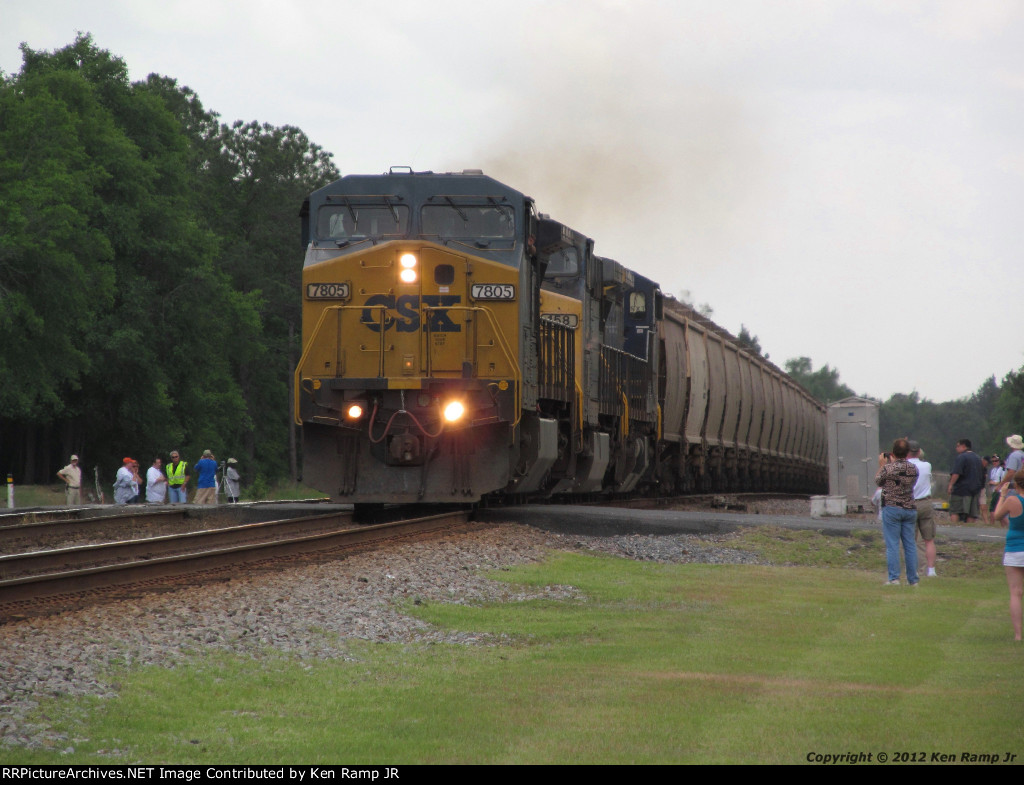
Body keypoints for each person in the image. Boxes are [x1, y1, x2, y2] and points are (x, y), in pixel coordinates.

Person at [876, 438, 919, 586]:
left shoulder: (889, 469)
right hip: (909, 508)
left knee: (893, 544)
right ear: (908, 452)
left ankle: (894, 578)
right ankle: (913, 580)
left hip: (892, 508)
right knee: (910, 545)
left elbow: (878, 481)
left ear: (893, 452)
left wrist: (883, 465)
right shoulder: (914, 469)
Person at [992, 468, 1024, 641]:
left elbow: (997, 516)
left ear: (1016, 484)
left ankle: (1018, 635)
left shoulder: (1013, 500)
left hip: (1015, 547)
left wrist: (1002, 495)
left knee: (1015, 592)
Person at [907, 440, 937, 577]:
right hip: (925, 503)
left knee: (911, 540)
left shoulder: (904, 467)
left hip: (910, 503)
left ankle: (914, 570)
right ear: (919, 452)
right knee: (929, 539)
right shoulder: (927, 465)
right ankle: (931, 570)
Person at [947, 439, 985, 523]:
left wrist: (950, 485)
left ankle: (954, 528)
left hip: (961, 490)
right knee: (972, 514)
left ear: (964, 446)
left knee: (955, 510)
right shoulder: (978, 458)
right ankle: (969, 531)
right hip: (975, 490)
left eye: (958, 446)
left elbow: (956, 473)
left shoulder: (961, 457)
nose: (956, 448)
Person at [986, 455, 1005, 525]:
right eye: (993, 461)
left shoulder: (1002, 469)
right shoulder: (993, 470)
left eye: (996, 461)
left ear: (999, 461)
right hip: (994, 491)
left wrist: (993, 483)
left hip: (999, 491)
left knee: (993, 508)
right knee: (994, 509)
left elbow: (1002, 481)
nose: (994, 462)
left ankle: (993, 524)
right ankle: (996, 524)